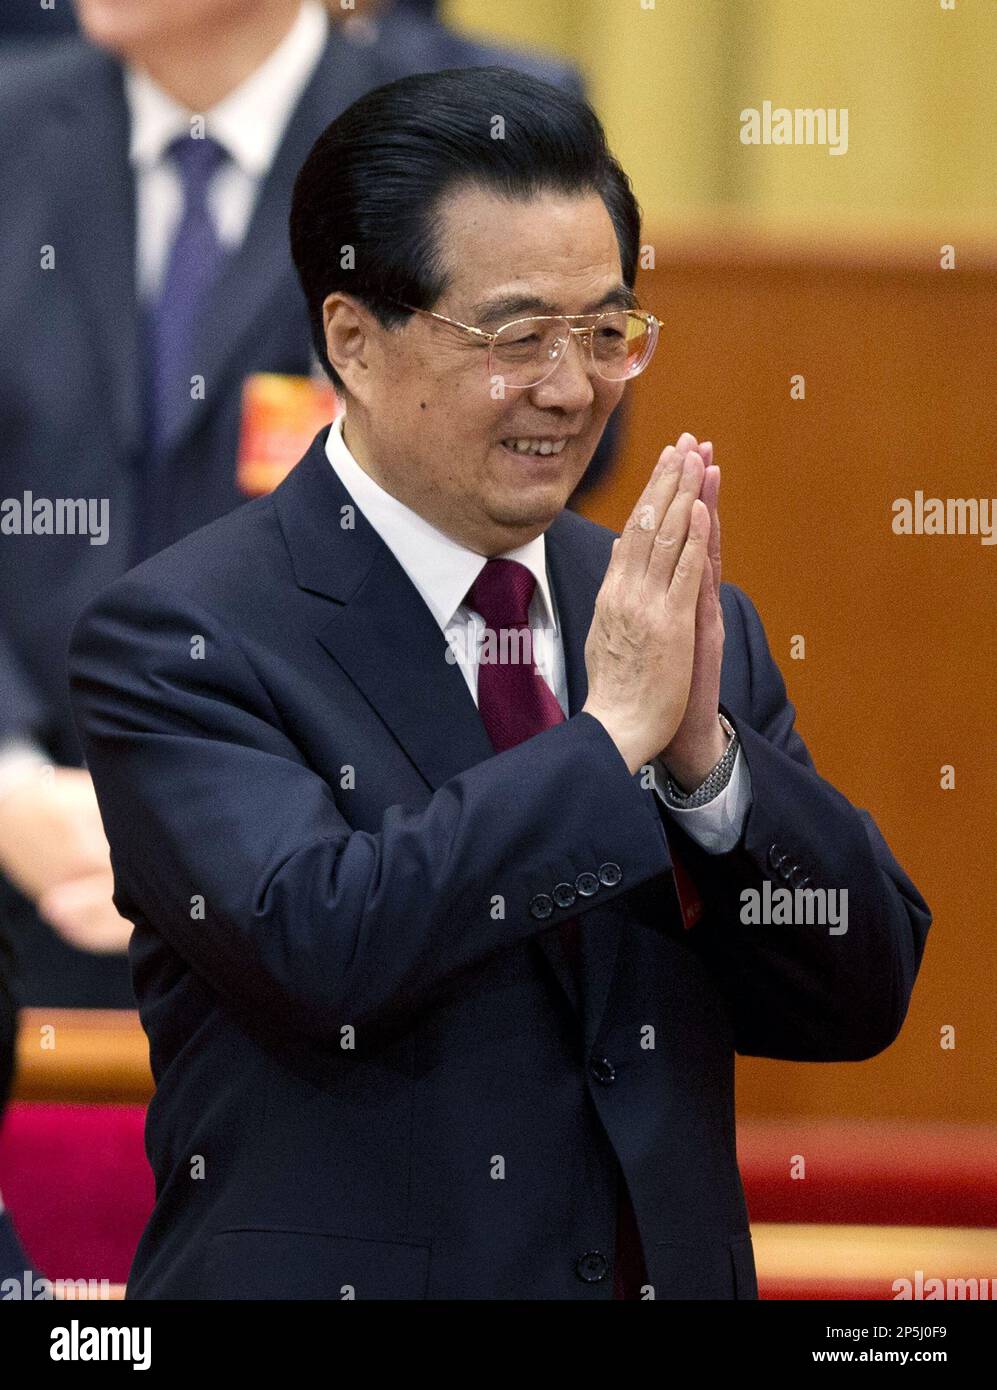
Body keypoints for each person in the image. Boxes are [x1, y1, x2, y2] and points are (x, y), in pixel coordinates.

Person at [67, 67, 932, 1300]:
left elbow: (858, 993)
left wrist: (708, 773)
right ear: (353, 342)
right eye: (517, 337)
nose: (572, 388)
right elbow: (324, 943)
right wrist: (606, 740)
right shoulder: (181, 636)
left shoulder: (662, 612)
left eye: (605, 331)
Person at [0, 0, 598, 1011]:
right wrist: (9, 783)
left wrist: (205, 811)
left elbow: (529, 476)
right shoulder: (15, 126)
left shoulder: (479, 132)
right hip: (27, 855)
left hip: (346, 861)